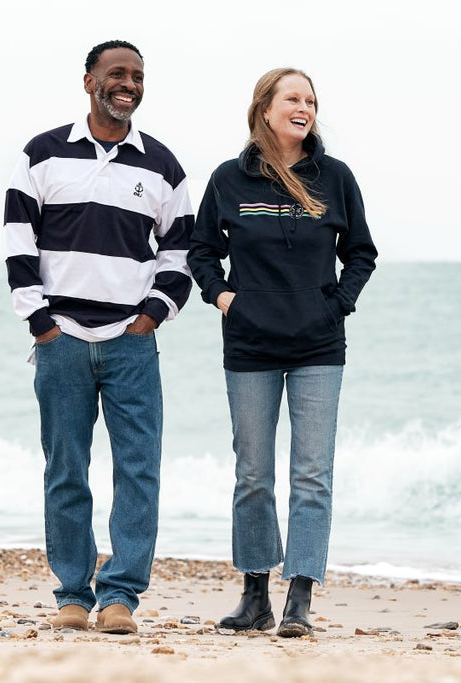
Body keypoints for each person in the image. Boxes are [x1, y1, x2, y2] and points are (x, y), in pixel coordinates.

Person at [2, 40, 193, 635]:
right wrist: (41, 324)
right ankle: (72, 595)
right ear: (89, 81)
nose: (128, 84)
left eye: (137, 76)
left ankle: (120, 598)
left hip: (132, 343)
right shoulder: (43, 154)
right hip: (61, 341)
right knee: (66, 470)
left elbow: (181, 251)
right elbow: (18, 241)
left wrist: (152, 316)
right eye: (116, 73)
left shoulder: (161, 165)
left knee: (139, 470)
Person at [187, 68, 377, 637]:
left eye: (311, 100)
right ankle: (255, 598)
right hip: (250, 345)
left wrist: (335, 305)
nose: (305, 108)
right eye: (293, 98)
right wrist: (224, 298)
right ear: (265, 109)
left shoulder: (335, 178)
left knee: (312, 475)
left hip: (319, 345)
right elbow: (202, 251)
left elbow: (361, 253)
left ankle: (300, 598)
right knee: (252, 474)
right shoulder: (229, 179)